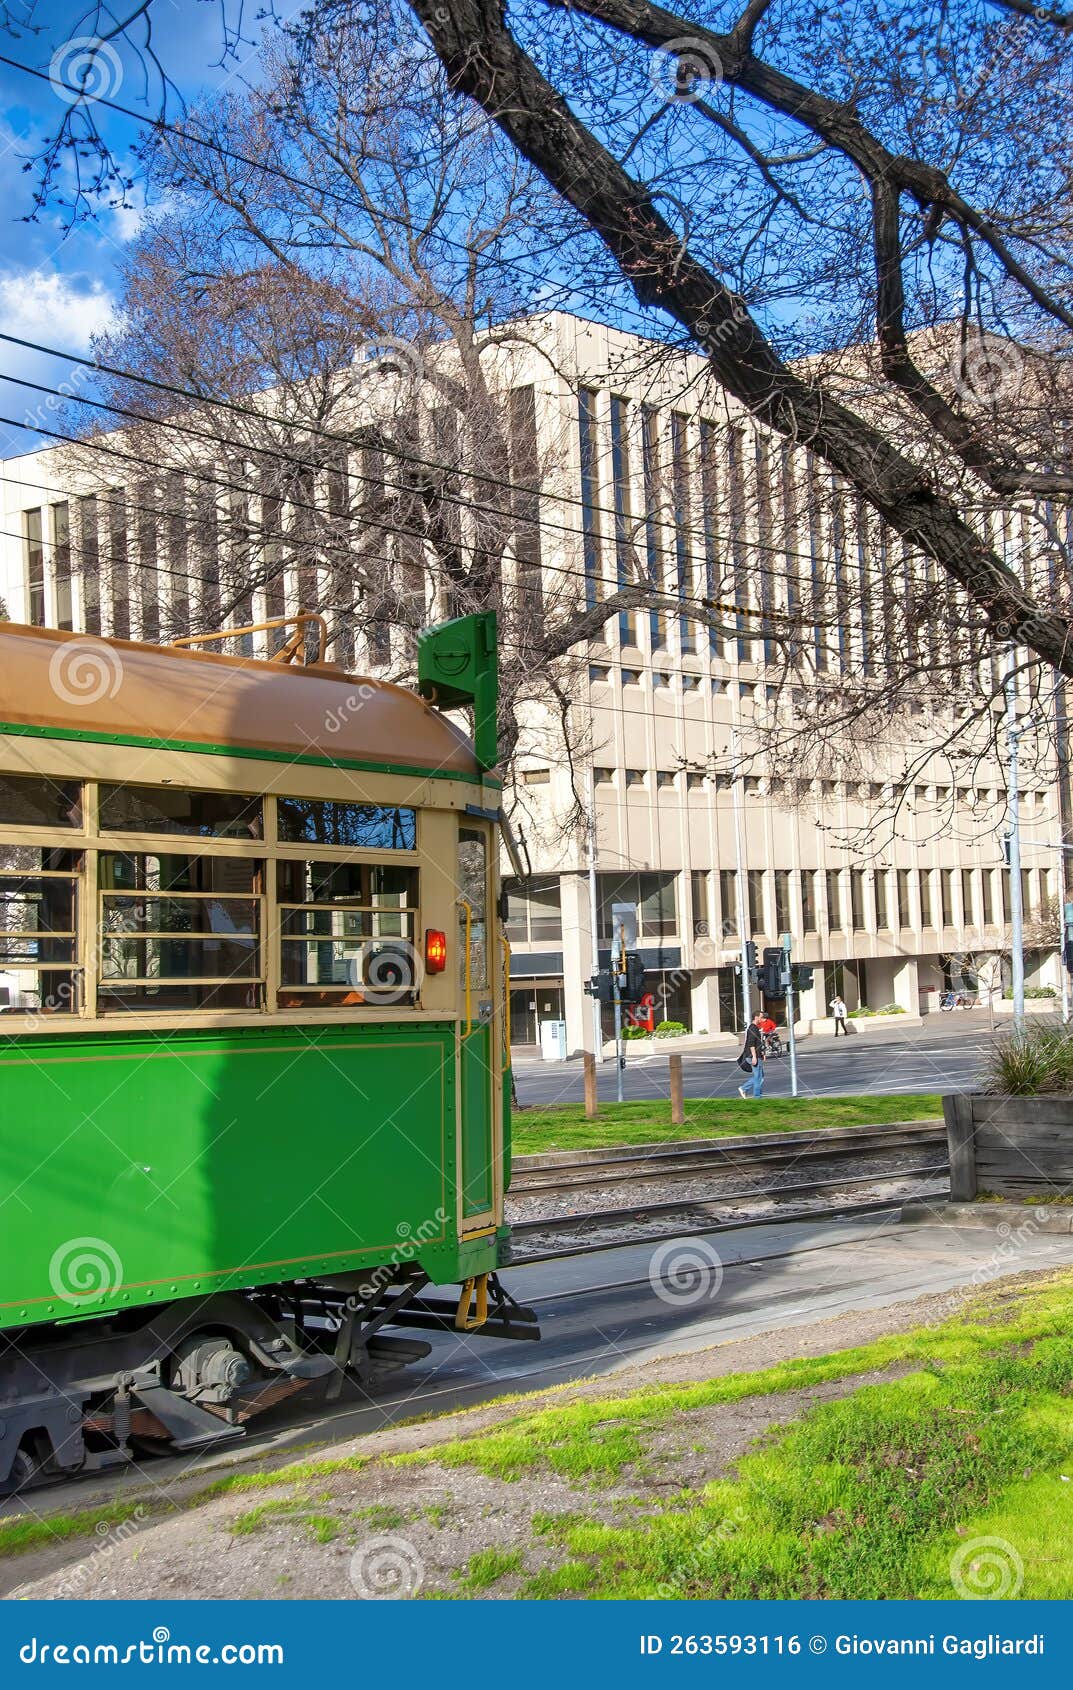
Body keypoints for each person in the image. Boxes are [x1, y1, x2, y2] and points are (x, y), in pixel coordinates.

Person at [738, 1011, 766, 1098]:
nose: (763, 1019)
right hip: (753, 1056)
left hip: (757, 1055)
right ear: (756, 1017)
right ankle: (757, 1096)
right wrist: (754, 1057)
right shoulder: (753, 1028)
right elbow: (751, 1044)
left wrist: (762, 1054)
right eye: (761, 1017)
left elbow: (757, 1043)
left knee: (760, 1076)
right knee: (758, 1077)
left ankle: (744, 1088)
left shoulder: (755, 1028)